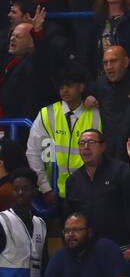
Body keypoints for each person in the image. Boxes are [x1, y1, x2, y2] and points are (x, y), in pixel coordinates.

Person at [27, 66, 101, 203]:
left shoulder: (96, 114)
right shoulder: (47, 114)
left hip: (89, 190)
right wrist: (45, 187)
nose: (64, 90)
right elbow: (33, 152)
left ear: (81, 87)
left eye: (69, 85)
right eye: (61, 86)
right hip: (54, 191)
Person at [63, 126, 130, 256]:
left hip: (120, 248)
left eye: (91, 142)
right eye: (82, 143)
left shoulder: (121, 171)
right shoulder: (73, 181)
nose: (86, 147)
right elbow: (70, 219)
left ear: (103, 147)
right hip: (87, 251)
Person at [0, 169, 45, 277]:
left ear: (34, 191)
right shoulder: (3, 220)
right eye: (16, 189)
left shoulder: (40, 224)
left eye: (25, 189)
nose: (20, 193)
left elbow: (44, 265)